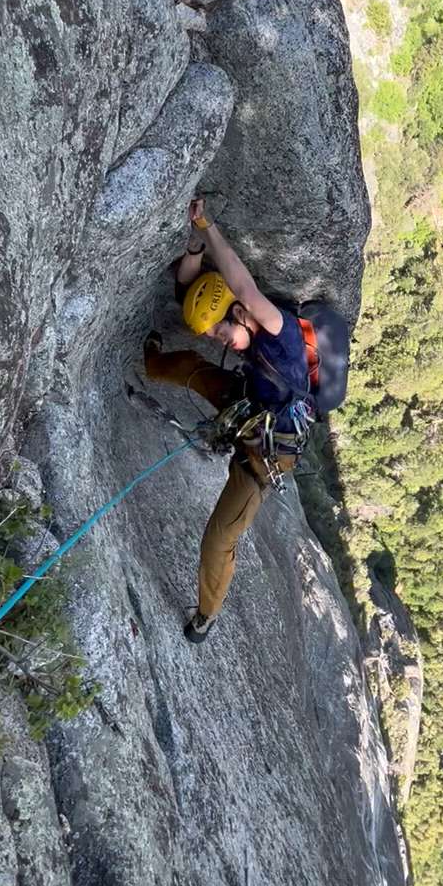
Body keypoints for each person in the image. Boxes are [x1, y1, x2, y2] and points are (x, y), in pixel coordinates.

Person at [144, 197, 311, 644]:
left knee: (219, 538)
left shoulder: (280, 335)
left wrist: (208, 224)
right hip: (246, 406)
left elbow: (242, 282)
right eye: (218, 336)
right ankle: (152, 362)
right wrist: (195, 249)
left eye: (222, 332)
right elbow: (191, 291)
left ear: (240, 313)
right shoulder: (237, 324)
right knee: (195, 371)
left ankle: (206, 616)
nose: (224, 341)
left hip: (263, 460)